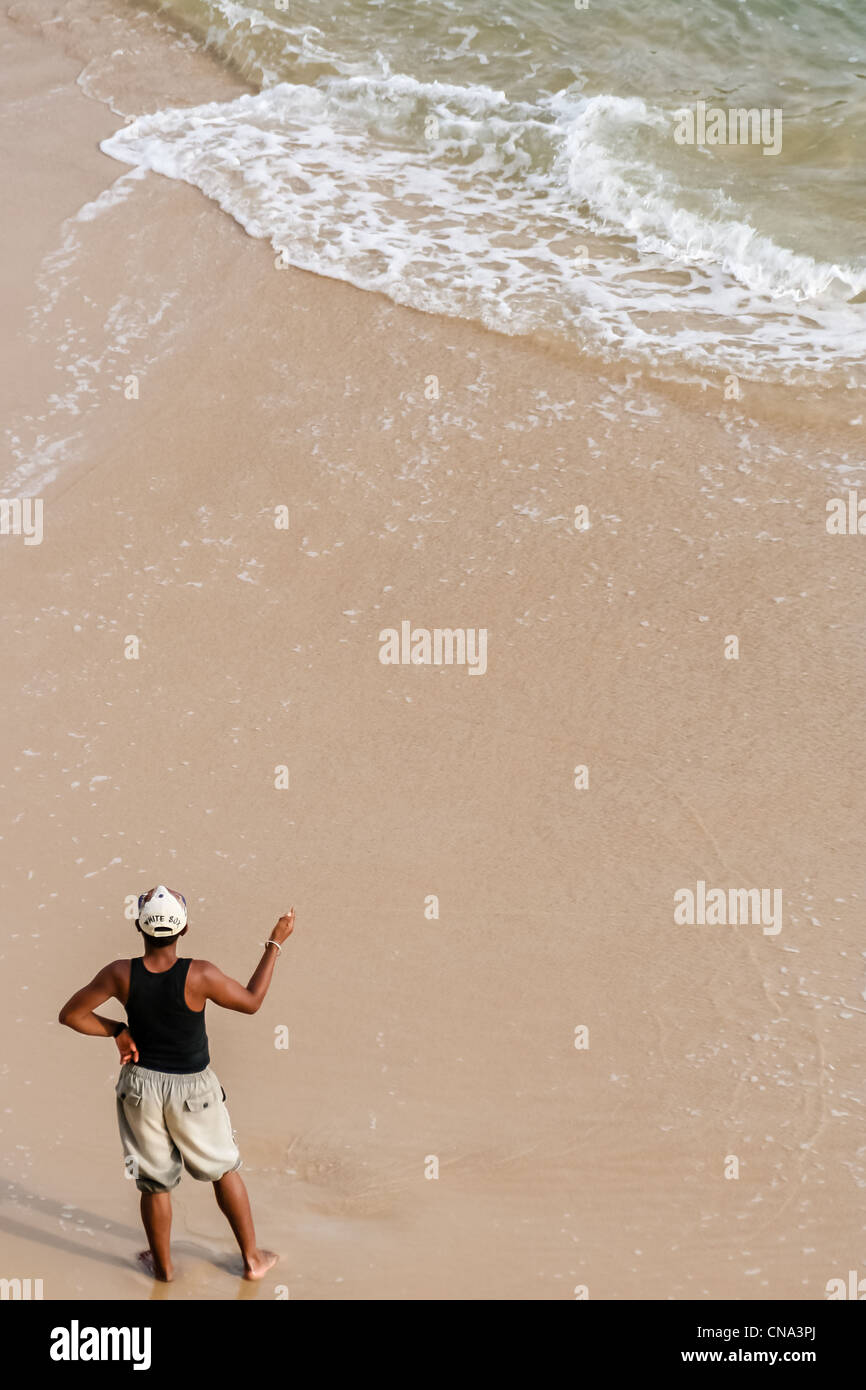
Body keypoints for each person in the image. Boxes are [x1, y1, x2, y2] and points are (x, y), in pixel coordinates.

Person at [58, 885, 295, 1282]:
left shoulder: (119, 973)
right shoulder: (199, 974)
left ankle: (164, 1270)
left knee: (154, 1183)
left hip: (140, 1088)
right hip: (194, 1091)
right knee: (224, 1170)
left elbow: (72, 1015)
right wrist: (275, 942)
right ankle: (252, 1260)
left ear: (140, 927)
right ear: (183, 931)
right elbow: (252, 1001)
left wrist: (117, 1029)